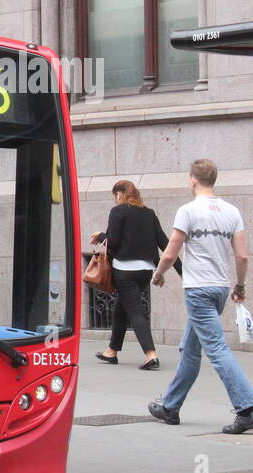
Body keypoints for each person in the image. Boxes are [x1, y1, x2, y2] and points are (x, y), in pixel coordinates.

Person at [148, 160, 253, 434]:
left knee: (217, 349)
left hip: (198, 290)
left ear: (192, 180)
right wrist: (240, 286)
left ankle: (247, 407)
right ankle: (170, 406)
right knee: (191, 349)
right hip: (218, 288)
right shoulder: (232, 212)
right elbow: (242, 255)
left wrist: (158, 274)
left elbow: (171, 251)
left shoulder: (188, 211)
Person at [90, 179, 178, 370]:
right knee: (121, 309)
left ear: (120, 193)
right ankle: (111, 351)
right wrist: (183, 272)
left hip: (124, 272)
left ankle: (150, 354)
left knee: (135, 311)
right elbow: (165, 243)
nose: (115, 199)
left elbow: (112, 243)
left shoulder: (118, 211)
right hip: (145, 272)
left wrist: (100, 236)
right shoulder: (149, 213)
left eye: (115, 194)